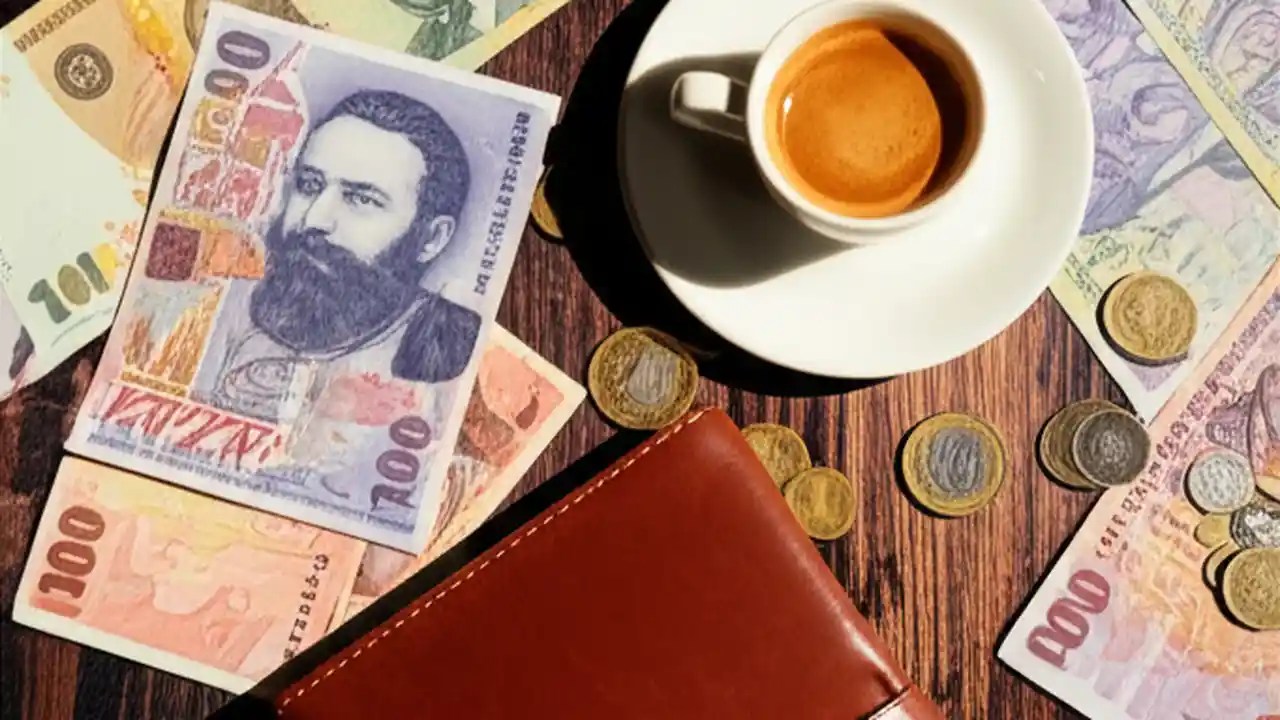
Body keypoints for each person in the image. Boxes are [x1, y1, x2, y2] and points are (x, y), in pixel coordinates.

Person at [193, 89, 480, 423]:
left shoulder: (442, 354)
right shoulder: (210, 301)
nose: (314, 219)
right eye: (310, 185)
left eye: (361, 199)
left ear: (431, 238)